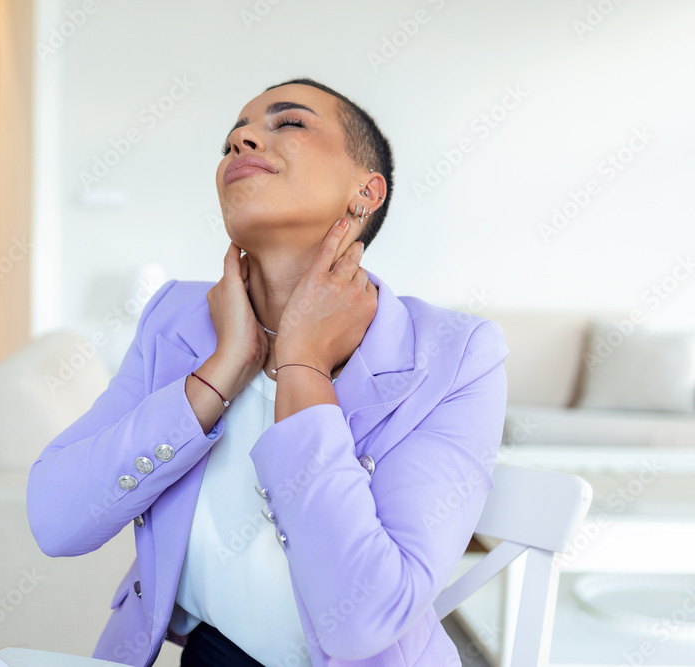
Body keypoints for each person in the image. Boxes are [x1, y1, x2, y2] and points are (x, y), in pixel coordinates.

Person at [27, 78, 509, 667]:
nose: (240, 138)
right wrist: (221, 371)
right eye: (233, 136)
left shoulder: (457, 357)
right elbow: (56, 521)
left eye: (290, 123)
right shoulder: (171, 318)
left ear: (366, 191)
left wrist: (303, 364)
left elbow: (365, 621)